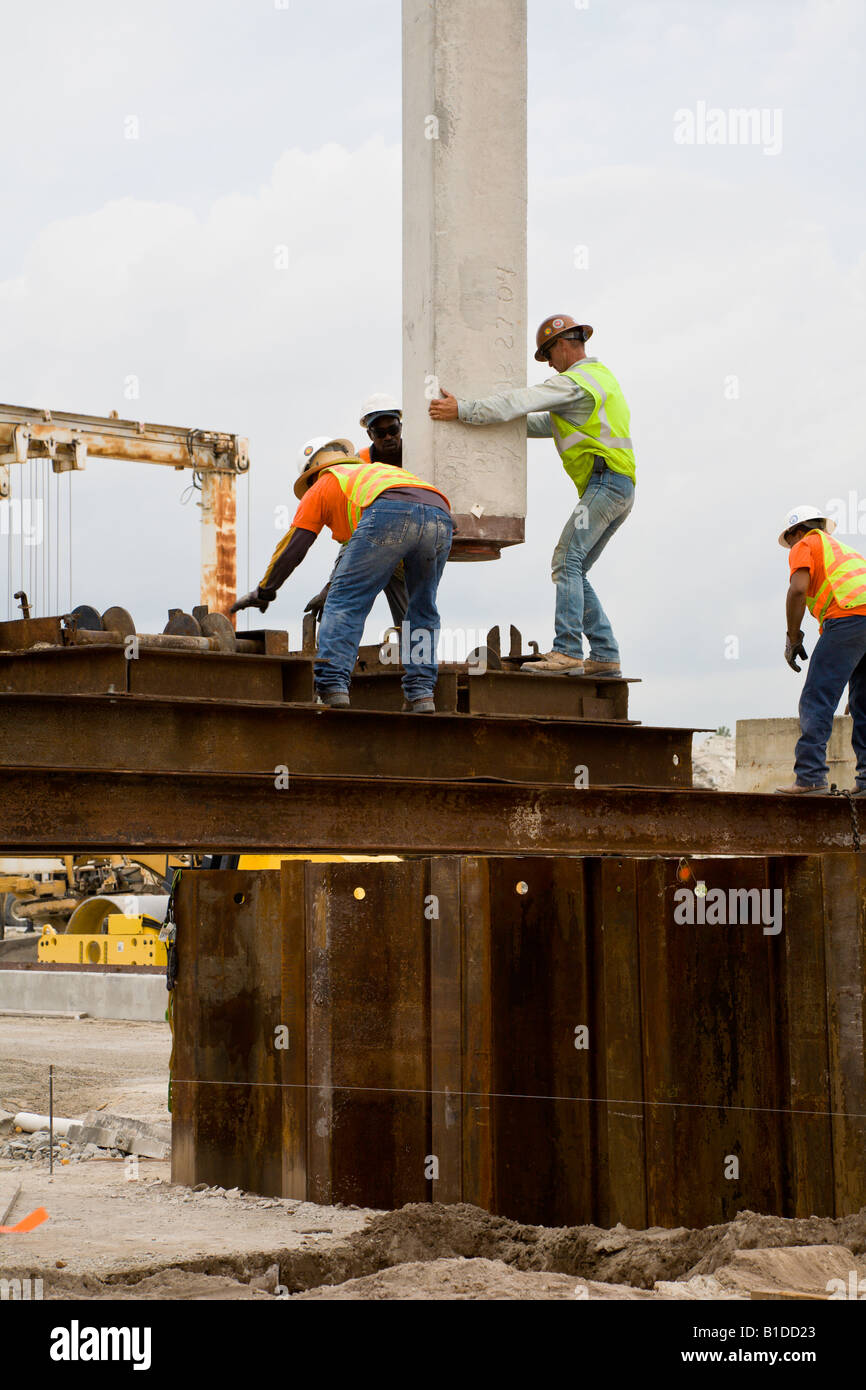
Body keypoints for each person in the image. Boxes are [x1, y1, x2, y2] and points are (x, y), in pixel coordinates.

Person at [429, 313, 635, 678]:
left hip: (605, 483)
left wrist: (463, 410)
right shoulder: (599, 381)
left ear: (562, 344)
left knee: (565, 562)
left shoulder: (574, 383)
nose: (550, 364)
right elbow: (541, 423)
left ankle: (568, 651)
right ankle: (604, 654)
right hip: (618, 487)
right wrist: (489, 425)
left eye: (548, 354)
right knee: (577, 569)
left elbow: (520, 402)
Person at [231, 438, 453, 711]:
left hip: (390, 513)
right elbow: (370, 550)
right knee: (422, 609)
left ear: (312, 474)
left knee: (345, 603)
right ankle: (421, 693)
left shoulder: (324, 483)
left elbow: (294, 546)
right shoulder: (373, 474)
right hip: (440, 513)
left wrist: (265, 591)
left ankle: (331, 685)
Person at [776, 503, 866, 795]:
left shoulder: (806, 542)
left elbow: (798, 589)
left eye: (789, 540)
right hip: (858, 621)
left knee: (817, 698)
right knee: (863, 705)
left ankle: (811, 777)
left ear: (797, 531)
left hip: (846, 618)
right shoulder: (846, 552)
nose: (790, 548)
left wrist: (792, 638)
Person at [303, 395, 408, 625]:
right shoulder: (359, 463)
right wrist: (333, 584)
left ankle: (416, 657)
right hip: (369, 541)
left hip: (408, 542)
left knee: (413, 617)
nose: (389, 437)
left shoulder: (418, 456)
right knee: (344, 605)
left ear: (401, 426)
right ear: (370, 434)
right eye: (381, 433)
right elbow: (352, 533)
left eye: (393, 429)